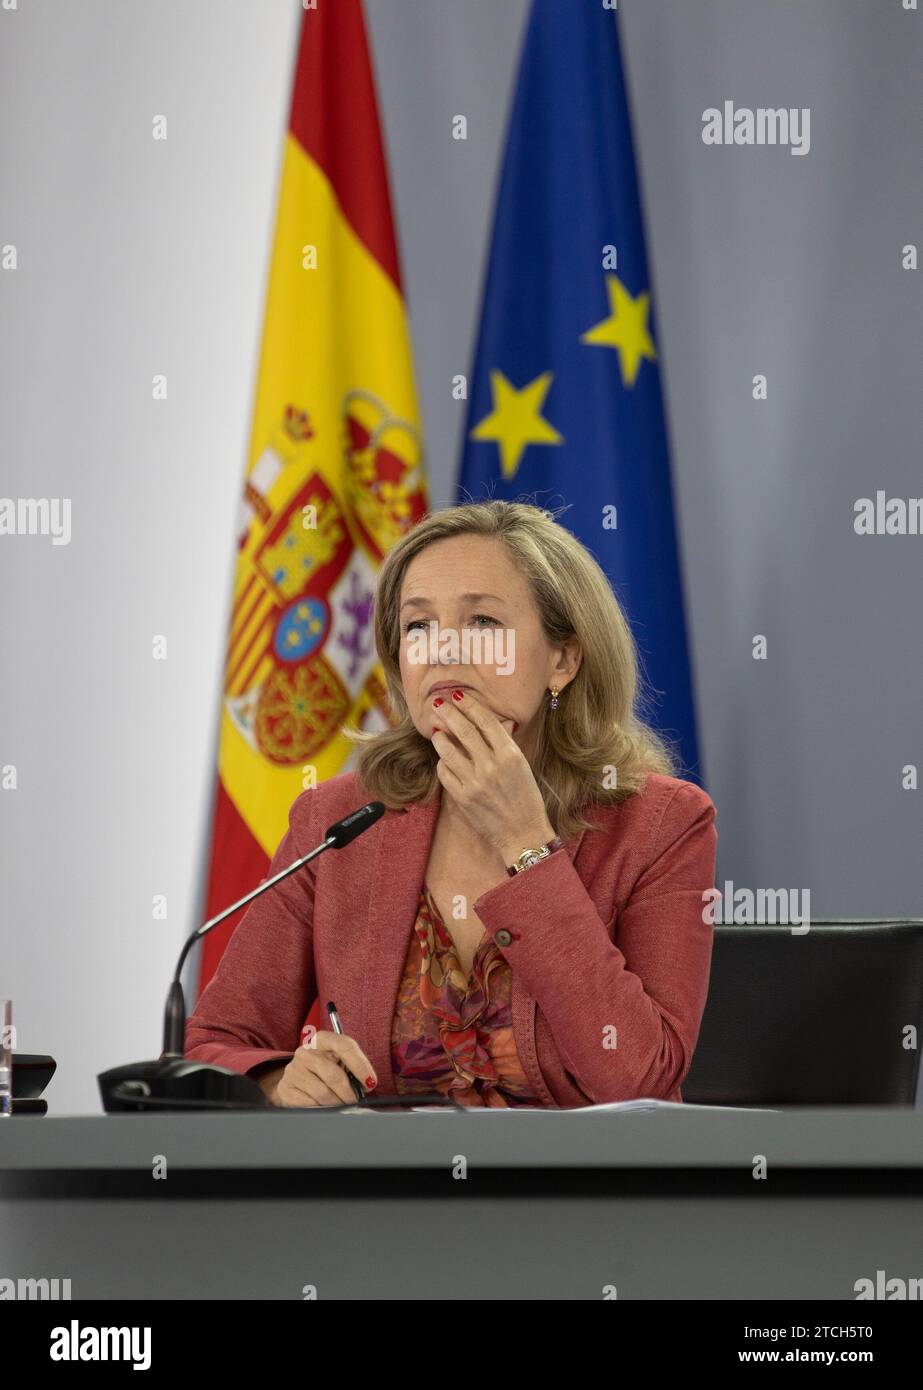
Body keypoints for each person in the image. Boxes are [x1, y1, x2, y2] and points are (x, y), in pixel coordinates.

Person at [185, 500, 717, 1108]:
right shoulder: (337, 821)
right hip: (391, 1196)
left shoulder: (661, 824)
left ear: (563, 660)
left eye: (483, 623)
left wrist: (526, 846)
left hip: (585, 1197)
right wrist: (275, 1080)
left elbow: (640, 1081)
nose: (441, 651)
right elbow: (215, 1043)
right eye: (418, 627)